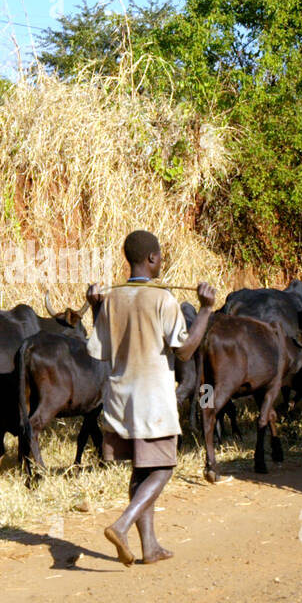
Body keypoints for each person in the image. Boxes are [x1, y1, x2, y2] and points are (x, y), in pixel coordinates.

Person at [85, 230, 214, 566]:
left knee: (141, 471)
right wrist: (206, 311)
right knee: (164, 468)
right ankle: (122, 524)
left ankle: (151, 546)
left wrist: (95, 306)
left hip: (120, 398)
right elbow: (185, 351)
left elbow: (97, 350)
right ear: (153, 259)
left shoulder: (113, 298)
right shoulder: (163, 299)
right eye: (160, 256)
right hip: (153, 400)